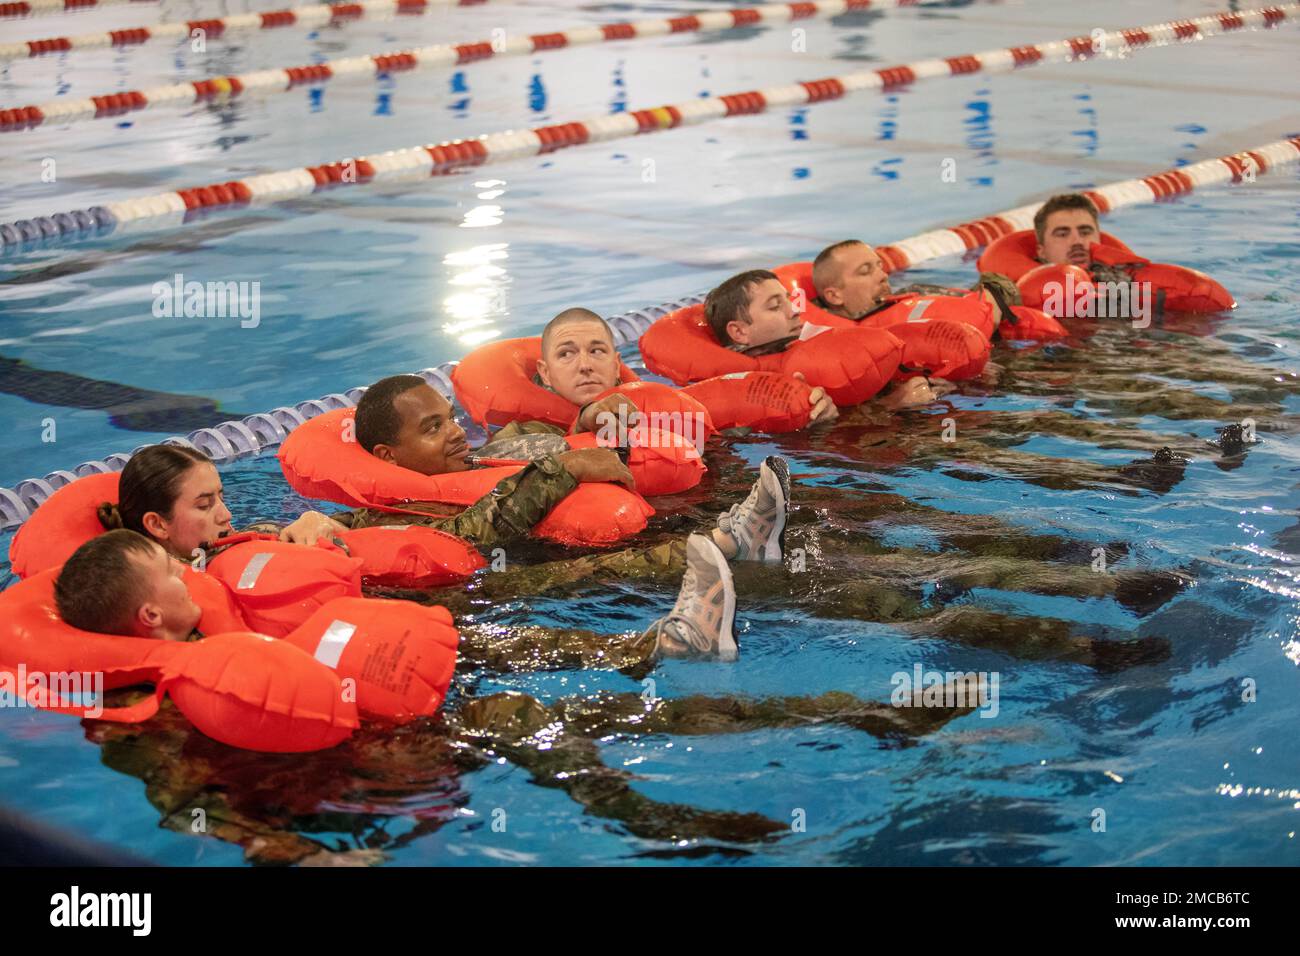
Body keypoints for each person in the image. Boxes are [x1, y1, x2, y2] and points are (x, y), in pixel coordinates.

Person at [703, 267, 952, 410]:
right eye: (775, 306)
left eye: (790, 299)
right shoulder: (749, 390)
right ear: (739, 332)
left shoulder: (816, 348)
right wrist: (891, 406)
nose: (795, 310)